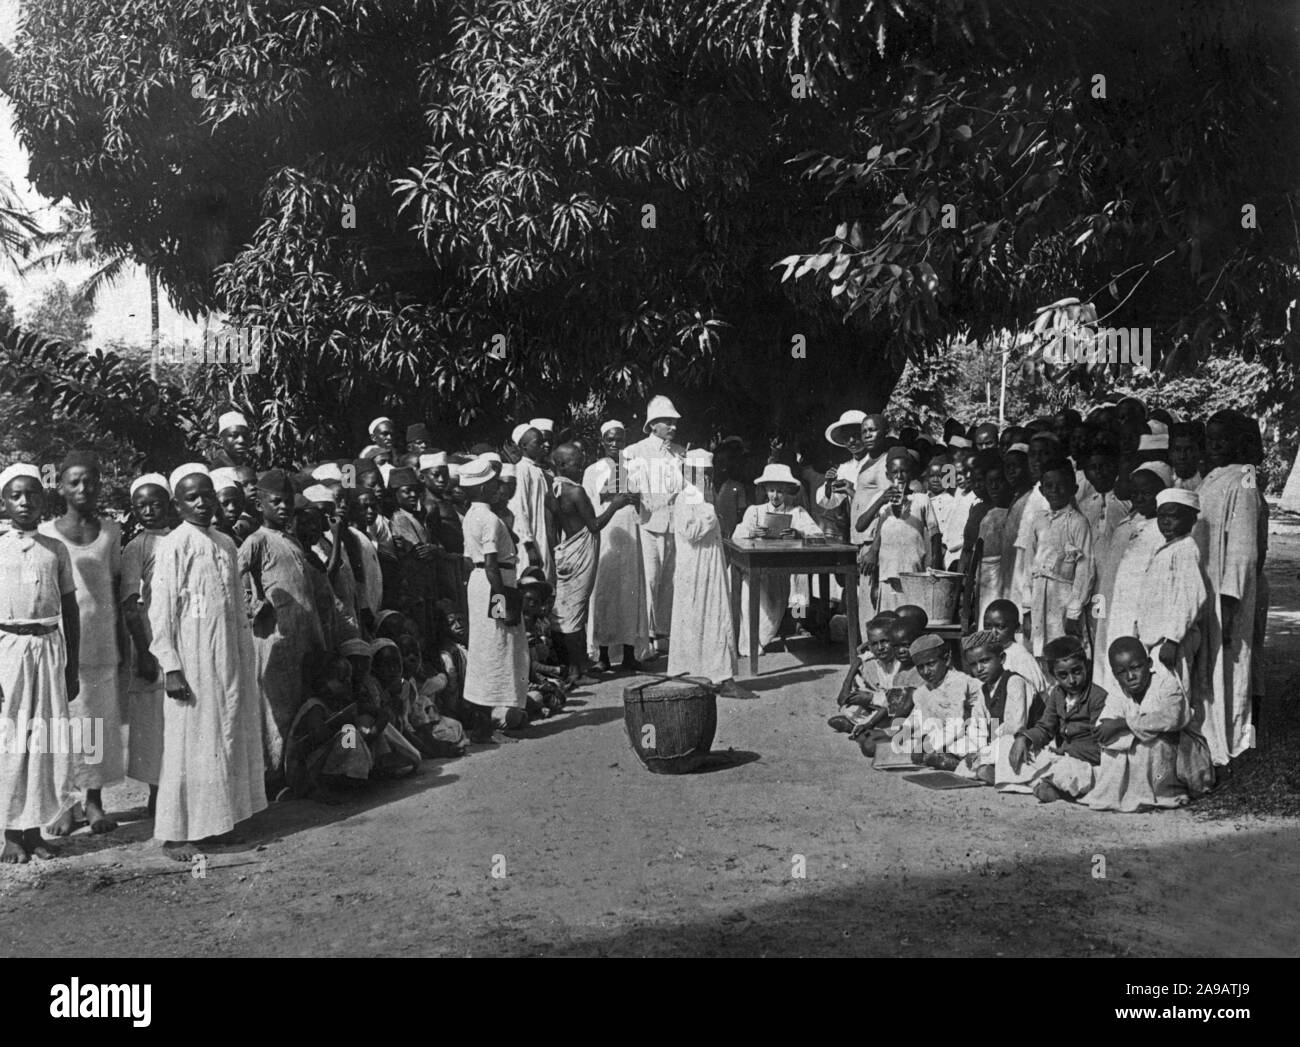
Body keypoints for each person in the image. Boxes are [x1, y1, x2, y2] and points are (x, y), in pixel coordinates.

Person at [150, 464, 267, 858]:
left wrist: (241, 653)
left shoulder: (225, 543)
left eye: (207, 495)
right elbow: (161, 611)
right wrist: (170, 666)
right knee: (190, 741)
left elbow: (234, 604)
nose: (201, 503)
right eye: (191, 497)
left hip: (228, 654)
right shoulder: (174, 545)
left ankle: (216, 822)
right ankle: (176, 833)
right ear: (177, 505)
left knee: (226, 734)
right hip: (193, 656)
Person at [40, 451, 124, 837]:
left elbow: (118, 586)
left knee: (96, 724)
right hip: (61, 644)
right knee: (65, 725)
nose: (82, 488)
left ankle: (93, 802)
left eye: (89, 481)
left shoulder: (111, 532)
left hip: (101, 642)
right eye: (74, 481)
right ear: (60, 486)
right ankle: (63, 804)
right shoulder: (47, 533)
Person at [0, 464, 78, 864]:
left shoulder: (56, 549)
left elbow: (70, 608)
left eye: (31, 493)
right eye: (16, 495)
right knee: (14, 741)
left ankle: (35, 830)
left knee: (43, 741)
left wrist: (72, 665)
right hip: (9, 649)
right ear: (5, 501)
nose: (25, 501)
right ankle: (12, 832)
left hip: (49, 647)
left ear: (43, 498)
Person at [239, 468, 325, 791]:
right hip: (274, 638)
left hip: (301, 636)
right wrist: (252, 602)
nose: (284, 508)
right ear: (260, 505)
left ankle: (296, 773)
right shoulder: (256, 540)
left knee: (300, 704)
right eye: (276, 502)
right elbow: (235, 573)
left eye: (288, 502)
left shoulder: (291, 540)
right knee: (277, 708)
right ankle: (273, 776)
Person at [1192, 412, 1260, 764]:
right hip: (1203, 588)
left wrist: (1230, 599)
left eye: (1223, 438)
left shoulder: (1243, 478)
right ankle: (1204, 743)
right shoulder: (1212, 479)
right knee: (1205, 668)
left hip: (1226, 593)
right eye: (1210, 438)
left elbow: (1244, 550)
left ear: (1238, 441)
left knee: (1228, 667)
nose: (1215, 445)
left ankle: (1230, 746)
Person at [1084, 638, 1214, 812]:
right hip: (1147, 748)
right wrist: (1138, 729)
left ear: (1149, 663)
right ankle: (1133, 794)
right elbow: (1104, 728)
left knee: (1156, 743)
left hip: (1185, 752)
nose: (1130, 676)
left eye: (1136, 667)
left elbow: (1171, 720)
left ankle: (1164, 794)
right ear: (1115, 675)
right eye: (1122, 672)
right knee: (1114, 748)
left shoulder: (1167, 684)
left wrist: (1124, 724)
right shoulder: (1117, 692)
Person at [666, 450, 756, 700]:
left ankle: (718, 675)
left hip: (708, 565)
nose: (705, 478)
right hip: (694, 569)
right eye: (700, 473)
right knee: (707, 617)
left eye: (708, 473)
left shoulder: (700, 498)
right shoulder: (686, 498)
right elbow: (691, 532)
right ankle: (714, 677)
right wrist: (709, 510)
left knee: (713, 617)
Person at [551, 442, 637, 684]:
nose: (580, 467)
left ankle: (575, 668)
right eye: (576, 463)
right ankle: (578, 671)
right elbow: (594, 525)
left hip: (567, 549)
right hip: (581, 552)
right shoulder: (575, 491)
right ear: (562, 465)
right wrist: (615, 505)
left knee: (569, 612)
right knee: (575, 614)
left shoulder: (555, 489)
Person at [460, 456, 530, 740]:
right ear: (480, 489)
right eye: (491, 485)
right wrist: (501, 600)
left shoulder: (472, 515)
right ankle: (489, 716)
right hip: (494, 583)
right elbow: (490, 563)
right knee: (499, 644)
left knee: (488, 646)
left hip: (482, 583)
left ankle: (492, 712)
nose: (497, 489)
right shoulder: (488, 518)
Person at [1093, 462, 1170, 697]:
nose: (1140, 498)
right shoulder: (1128, 524)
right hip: (1116, 608)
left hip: (1140, 615)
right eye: (1135, 493)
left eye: (1147, 493)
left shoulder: (1162, 531)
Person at [998, 636, 1105, 803]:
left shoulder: (1097, 697)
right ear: (1053, 675)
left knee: (1070, 771)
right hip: (1061, 757)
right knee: (1007, 744)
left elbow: (1099, 746)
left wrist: (1067, 752)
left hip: (1085, 762)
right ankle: (1047, 783)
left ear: (1087, 666)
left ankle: (1042, 784)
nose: (1071, 680)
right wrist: (1024, 738)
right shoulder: (1057, 694)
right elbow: (1045, 727)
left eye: (1076, 671)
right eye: (1063, 675)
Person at [120, 473, 172, 815]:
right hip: (151, 641)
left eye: (155, 503)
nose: (148, 511)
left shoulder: (183, 537)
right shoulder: (135, 547)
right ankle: (156, 792)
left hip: (182, 637)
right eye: (141, 505)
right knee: (153, 722)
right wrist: (145, 652)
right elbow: (130, 603)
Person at [734, 463, 824, 653]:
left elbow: (817, 534)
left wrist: (797, 533)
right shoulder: (755, 511)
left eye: (780, 491)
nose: (775, 496)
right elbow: (736, 536)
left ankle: (798, 620)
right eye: (772, 490)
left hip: (786, 571)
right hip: (760, 569)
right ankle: (751, 640)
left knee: (800, 581)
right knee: (749, 587)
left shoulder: (796, 512)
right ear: (766, 490)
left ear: (788, 492)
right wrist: (752, 531)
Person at [582, 421, 650, 672]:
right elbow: (588, 505)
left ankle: (630, 653)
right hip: (606, 537)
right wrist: (609, 499)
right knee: (605, 594)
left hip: (631, 538)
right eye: (609, 440)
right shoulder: (593, 471)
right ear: (602, 442)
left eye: (619, 440)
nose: (614, 444)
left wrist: (637, 500)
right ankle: (603, 655)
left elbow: (648, 503)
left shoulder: (636, 468)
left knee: (629, 594)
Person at [624, 395, 686, 654]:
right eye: (667, 422)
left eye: (674, 422)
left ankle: (664, 633)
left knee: (670, 579)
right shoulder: (634, 451)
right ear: (652, 425)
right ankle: (646, 636)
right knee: (650, 579)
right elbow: (624, 490)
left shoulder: (681, 452)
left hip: (675, 524)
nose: (673, 427)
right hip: (648, 524)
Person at [1013, 459, 1093, 657]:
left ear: (1073, 488)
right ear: (1041, 490)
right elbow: (1029, 565)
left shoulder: (1078, 522)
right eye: (1049, 486)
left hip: (1063, 599)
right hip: (1039, 598)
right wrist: (1027, 609)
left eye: (1061, 485)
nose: (1055, 491)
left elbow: (1085, 569)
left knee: (1064, 651)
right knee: (1039, 650)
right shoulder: (1038, 519)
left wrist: (1074, 611)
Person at [1136, 489, 1210, 693]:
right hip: (1154, 637)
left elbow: (1190, 597)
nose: (1166, 522)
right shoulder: (1167, 548)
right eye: (1162, 516)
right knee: (1157, 693)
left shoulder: (1186, 550)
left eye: (1174, 516)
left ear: (1192, 519)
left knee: (1173, 693)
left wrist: (1173, 639)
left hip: (1173, 640)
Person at [891, 633, 985, 771]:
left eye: (930, 664)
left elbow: (957, 724)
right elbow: (917, 716)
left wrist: (927, 745)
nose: (925, 671)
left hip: (972, 730)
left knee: (957, 746)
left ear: (947, 659)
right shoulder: (924, 690)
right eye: (920, 667)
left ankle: (963, 765)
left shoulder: (958, 682)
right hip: (944, 732)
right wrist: (903, 731)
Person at [860, 448, 936, 612]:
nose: (899, 477)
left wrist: (932, 569)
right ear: (888, 475)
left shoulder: (921, 500)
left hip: (914, 574)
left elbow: (935, 536)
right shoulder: (882, 500)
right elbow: (860, 525)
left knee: (912, 618)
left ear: (911, 473)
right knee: (888, 619)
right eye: (895, 472)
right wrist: (882, 500)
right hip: (887, 574)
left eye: (904, 471)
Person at [961, 630, 1035, 784]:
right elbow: (977, 724)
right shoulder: (984, 690)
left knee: (1006, 744)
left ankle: (996, 773)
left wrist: (985, 751)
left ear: (1001, 658)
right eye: (973, 664)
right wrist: (976, 749)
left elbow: (1014, 726)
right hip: (995, 743)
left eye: (985, 661)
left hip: (1024, 742)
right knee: (966, 762)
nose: (979, 668)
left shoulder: (1014, 682)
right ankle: (990, 770)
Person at [509, 424, 555, 585]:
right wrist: (529, 545)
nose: (544, 446)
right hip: (530, 540)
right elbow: (520, 509)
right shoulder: (522, 470)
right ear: (523, 446)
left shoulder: (538, 470)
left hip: (542, 536)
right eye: (538, 443)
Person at [982, 600, 1048, 694]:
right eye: (987, 626)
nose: (992, 633)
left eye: (1000, 627)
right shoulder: (989, 654)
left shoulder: (1021, 658)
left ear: (1016, 627)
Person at [1170, 422, 1204, 491]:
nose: (1182, 456)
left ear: (1200, 452)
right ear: (1170, 453)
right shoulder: (1164, 481)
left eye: (1189, 450)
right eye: (1177, 450)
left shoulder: (1206, 484)